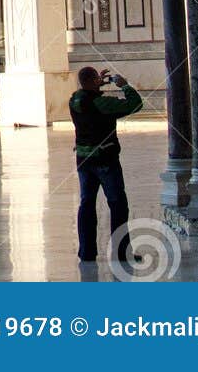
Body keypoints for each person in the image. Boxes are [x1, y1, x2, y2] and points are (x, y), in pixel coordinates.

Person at [70, 66, 144, 265]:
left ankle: (86, 252)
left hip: (84, 161)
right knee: (117, 204)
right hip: (105, 160)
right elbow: (135, 104)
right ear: (94, 81)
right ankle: (121, 252)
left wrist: (96, 84)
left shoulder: (74, 100)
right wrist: (124, 86)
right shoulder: (102, 103)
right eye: (97, 79)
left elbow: (85, 94)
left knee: (86, 204)